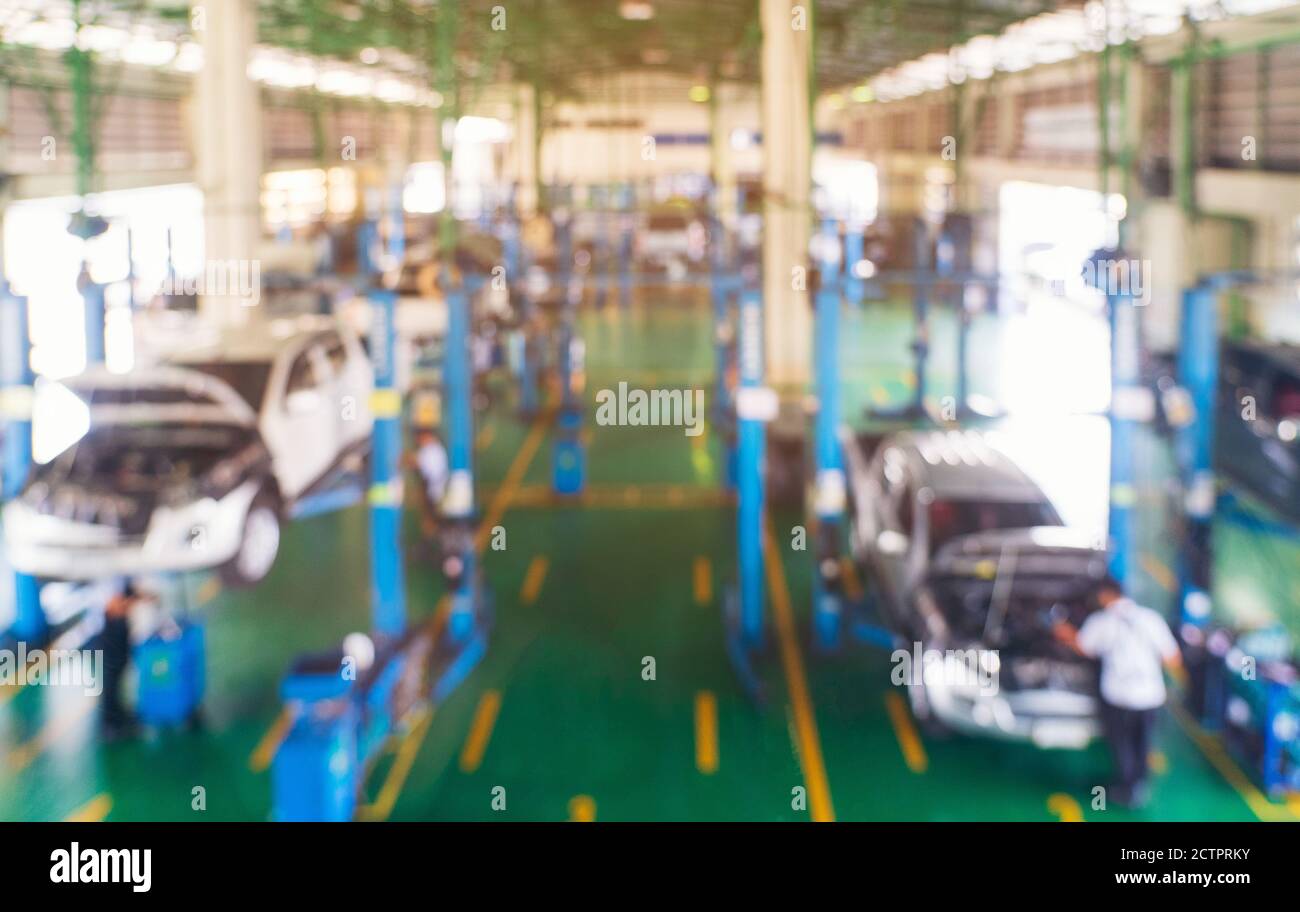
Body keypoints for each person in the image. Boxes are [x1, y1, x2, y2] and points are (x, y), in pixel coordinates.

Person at [1054, 576, 1185, 808]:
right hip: (1150, 695)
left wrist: (1063, 632)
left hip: (1118, 697)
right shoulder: (1150, 618)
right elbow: (1172, 657)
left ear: (1104, 595)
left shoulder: (1101, 621)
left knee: (1121, 743)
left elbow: (1084, 647)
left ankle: (1124, 788)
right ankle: (1139, 785)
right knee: (1142, 742)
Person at [99, 579, 145, 740]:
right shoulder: (105, 576)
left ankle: (119, 713)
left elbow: (128, 591)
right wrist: (137, 601)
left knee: (121, 668)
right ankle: (109, 724)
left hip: (121, 624)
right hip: (110, 627)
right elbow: (114, 606)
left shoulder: (121, 572)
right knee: (111, 674)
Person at [413, 428, 449, 531]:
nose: (418, 439)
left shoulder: (432, 449)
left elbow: (418, 464)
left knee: (434, 524)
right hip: (433, 493)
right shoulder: (430, 449)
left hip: (436, 494)